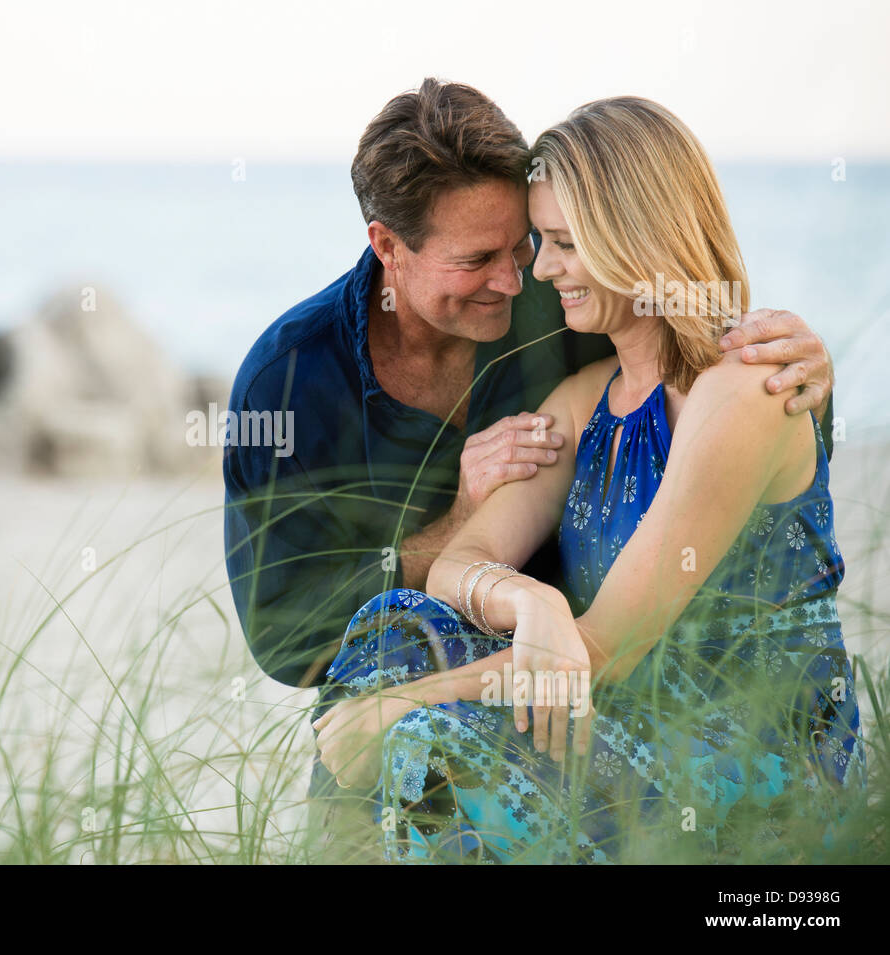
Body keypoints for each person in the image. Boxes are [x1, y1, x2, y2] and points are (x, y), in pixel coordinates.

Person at [220, 79, 838, 825]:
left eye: (543, 244)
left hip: (732, 735)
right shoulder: (293, 380)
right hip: (563, 674)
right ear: (389, 246)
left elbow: (608, 645)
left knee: (429, 726)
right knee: (396, 633)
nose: (528, 275)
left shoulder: (704, 370)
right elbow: (305, 626)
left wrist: (395, 708)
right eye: (487, 256)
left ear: (635, 237)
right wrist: (524, 595)